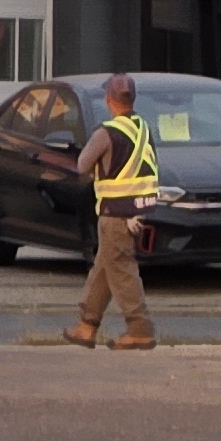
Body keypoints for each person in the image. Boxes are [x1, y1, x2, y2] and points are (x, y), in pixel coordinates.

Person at [69, 70, 159, 351]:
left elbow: (82, 165)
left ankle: (139, 328)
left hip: (114, 214)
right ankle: (86, 326)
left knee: (120, 268)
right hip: (137, 212)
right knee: (104, 267)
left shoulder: (106, 133)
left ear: (109, 99)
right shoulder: (143, 128)